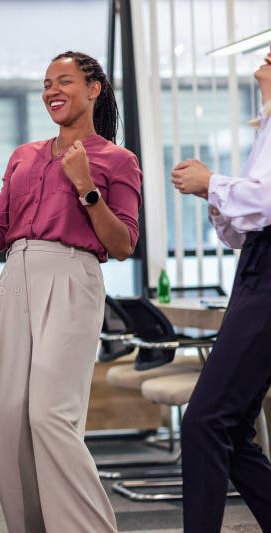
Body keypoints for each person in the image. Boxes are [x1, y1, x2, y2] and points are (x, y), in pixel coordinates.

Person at [0, 51, 142, 533]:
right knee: (2, 424)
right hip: (15, 280)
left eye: (63, 81)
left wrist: (87, 187)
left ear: (94, 89)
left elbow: (124, 243)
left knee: (51, 416)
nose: (52, 90)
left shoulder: (117, 160)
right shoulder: (23, 155)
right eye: (46, 83)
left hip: (71, 277)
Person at [172, 47, 271, 533]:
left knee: (205, 422)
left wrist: (212, 183)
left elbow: (266, 204)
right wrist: (212, 193)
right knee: (229, 429)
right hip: (256, 269)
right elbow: (241, 230)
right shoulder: (267, 124)